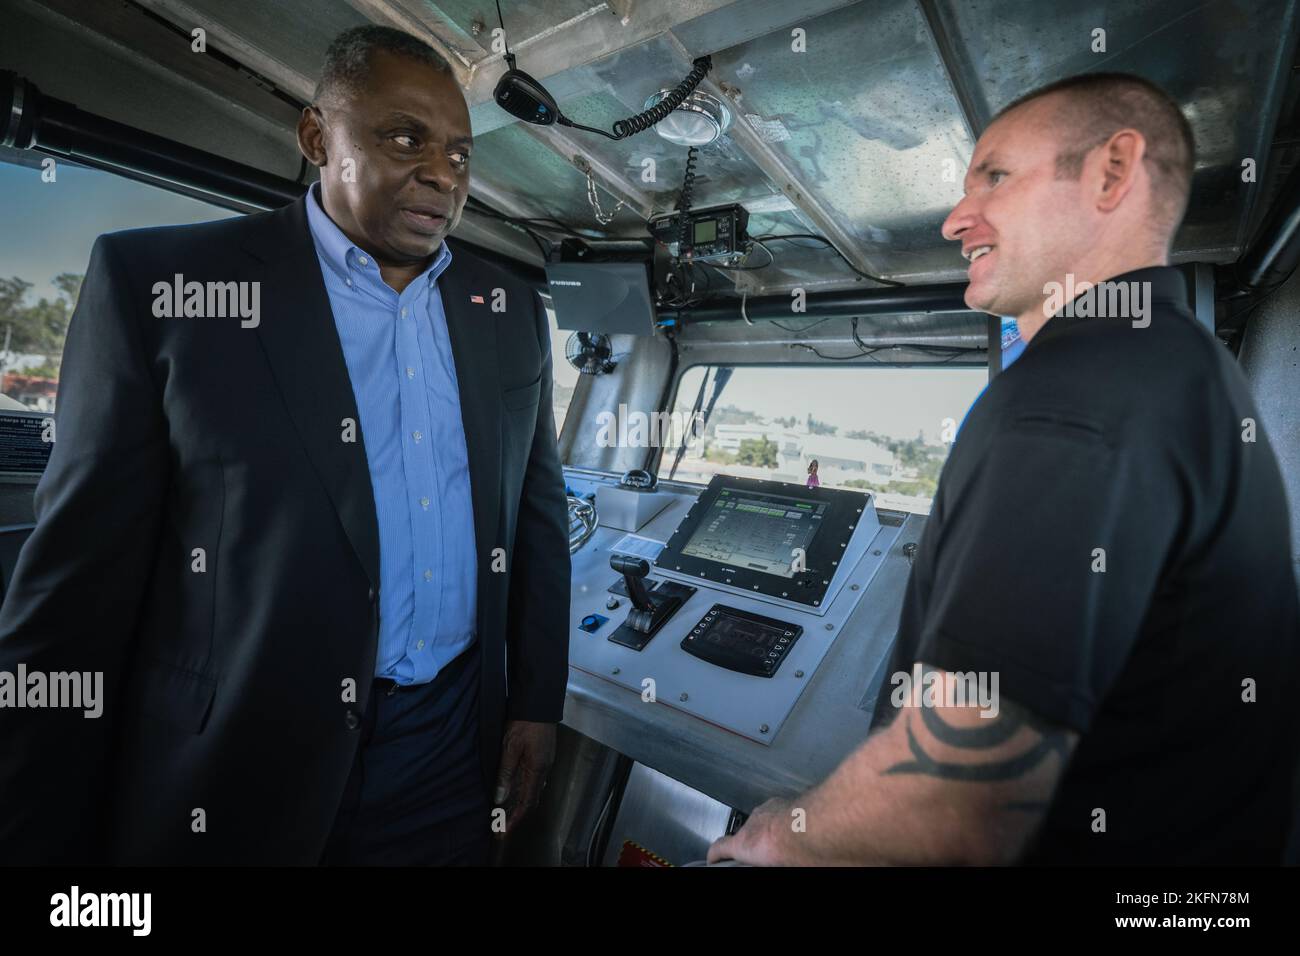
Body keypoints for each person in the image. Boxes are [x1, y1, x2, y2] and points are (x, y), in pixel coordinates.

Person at [0, 25, 570, 865]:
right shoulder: (162, 290)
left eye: (459, 155)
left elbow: (538, 521)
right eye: (404, 137)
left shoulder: (511, 312)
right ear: (316, 139)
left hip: (447, 752)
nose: (440, 174)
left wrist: (535, 705)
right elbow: (75, 592)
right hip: (235, 758)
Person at [709, 72, 1299, 866]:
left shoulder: (1080, 386)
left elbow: (957, 798)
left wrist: (778, 835)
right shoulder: (1181, 365)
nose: (957, 219)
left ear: (1113, 172)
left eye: (994, 176)